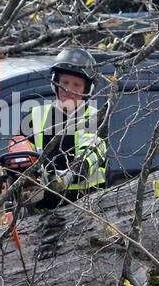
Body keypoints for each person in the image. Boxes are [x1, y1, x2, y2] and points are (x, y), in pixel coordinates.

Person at [26, 46, 107, 208]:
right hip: (41, 213)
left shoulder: (95, 118)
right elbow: (21, 153)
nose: (69, 89)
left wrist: (69, 175)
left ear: (87, 89)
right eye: (65, 82)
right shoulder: (34, 116)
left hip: (86, 208)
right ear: (55, 84)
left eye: (77, 85)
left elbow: (91, 151)